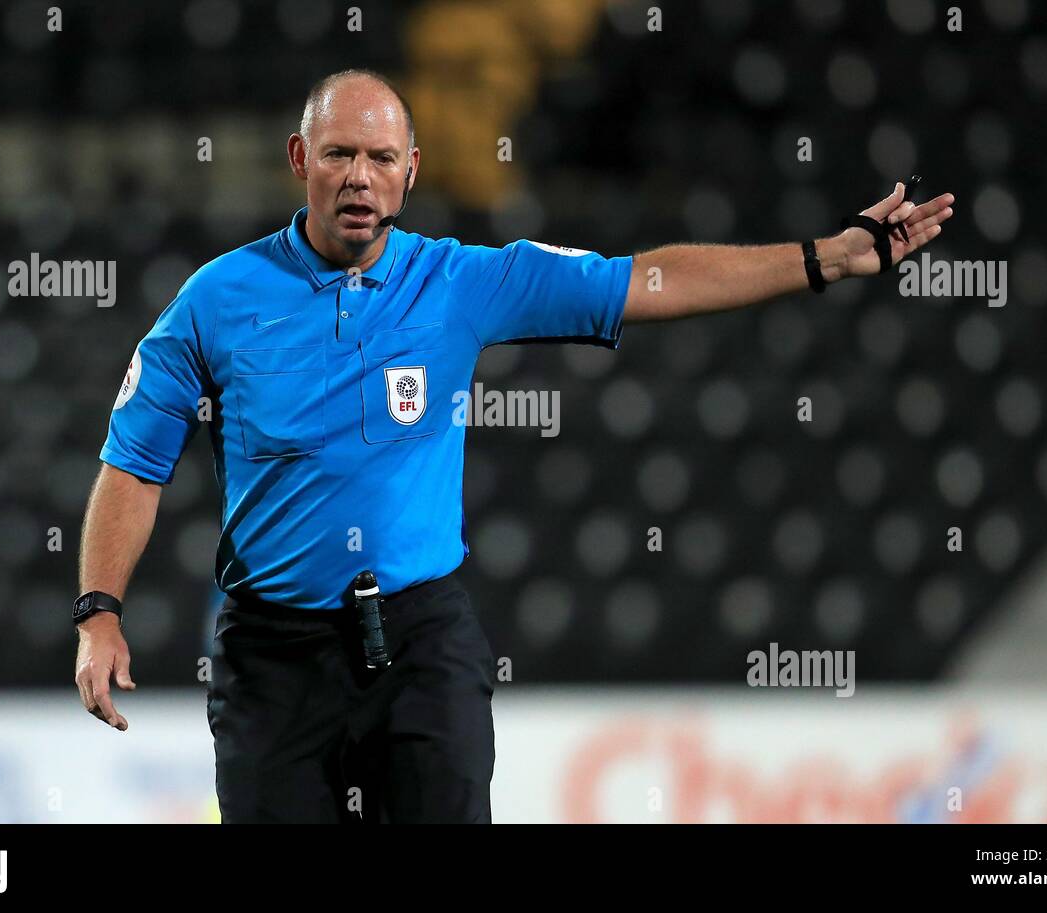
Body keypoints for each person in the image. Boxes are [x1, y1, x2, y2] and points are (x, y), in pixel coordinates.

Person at [73, 68, 956, 823]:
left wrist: (826, 259)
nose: (359, 177)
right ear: (301, 160)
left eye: (382, 158)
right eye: (340, 153)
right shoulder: (216, 300)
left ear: (410, 172)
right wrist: (99, 610)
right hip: (270, 659)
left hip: (419, 643)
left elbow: (643, 280)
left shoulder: (462, 281)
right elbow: (134, 462)